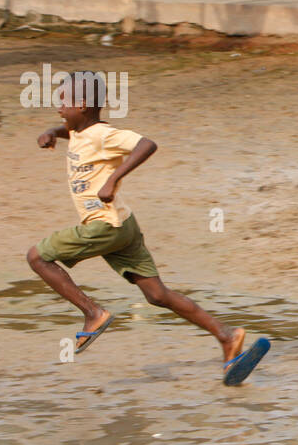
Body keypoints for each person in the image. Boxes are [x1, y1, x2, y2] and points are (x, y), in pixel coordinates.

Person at [26, 71, 268, 384]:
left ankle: (93, 313)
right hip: (124, 226)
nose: (58, 109)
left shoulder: (102, 134)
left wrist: (112, 180)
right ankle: (226, 336)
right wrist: (51, 132)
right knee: (157, 295)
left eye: (63, 102)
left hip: (105, 226)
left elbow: (146, 144)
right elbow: (69, 131)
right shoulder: (79, 131)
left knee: (37, 257)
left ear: (83, 105)